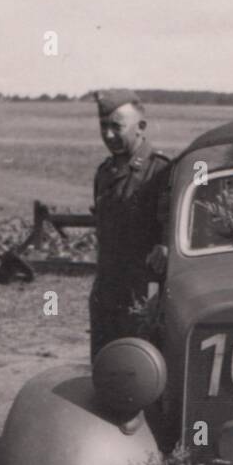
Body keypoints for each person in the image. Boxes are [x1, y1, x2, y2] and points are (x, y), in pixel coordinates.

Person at [88, 89, 173, 359]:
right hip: (106, 293)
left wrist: (166, 246)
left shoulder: (161, 172)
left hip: (141, 298)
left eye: (117, 127)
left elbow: (172, 230)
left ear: (141, 127)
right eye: (104, 127)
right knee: (104, 373)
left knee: (140, 374)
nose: (109, 135)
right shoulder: (104, 173)